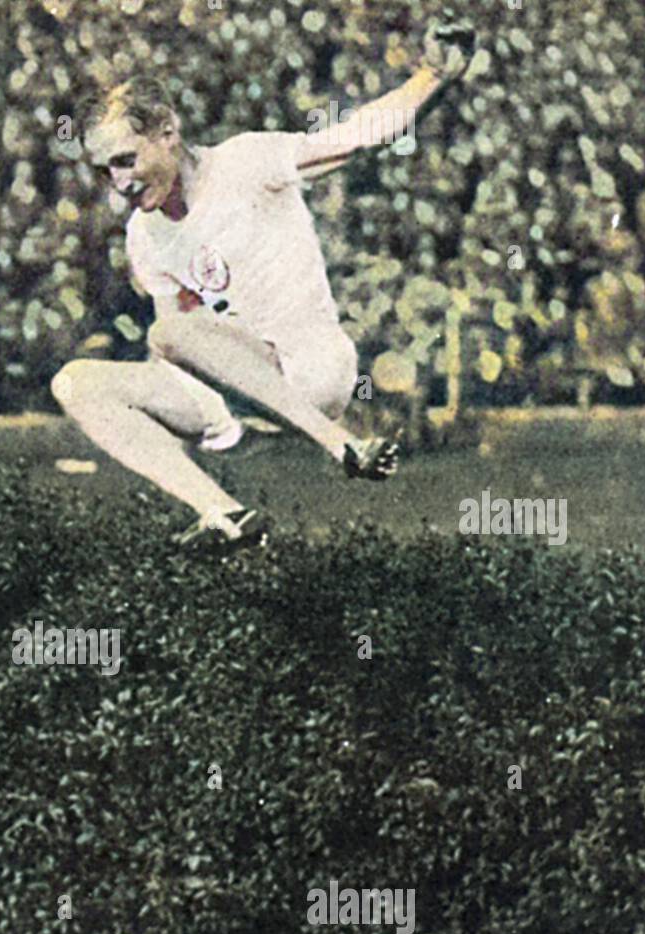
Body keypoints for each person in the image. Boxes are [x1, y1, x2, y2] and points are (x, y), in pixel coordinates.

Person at [51, 17, 478, 550]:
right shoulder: (144, 234)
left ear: (167, 133)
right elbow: (185, 349)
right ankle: (225, 514)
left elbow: (356, 139)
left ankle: (342, 445)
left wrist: (432, 76)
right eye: (103, 171)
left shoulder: (244, 163)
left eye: (125, 160)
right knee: (77, 381)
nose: (118, 183)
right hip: (239, 392)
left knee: (169, 335)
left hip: (311, 367)